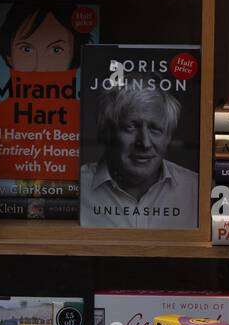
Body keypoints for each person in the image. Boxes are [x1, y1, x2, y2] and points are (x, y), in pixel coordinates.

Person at [80, 84, 199, 229]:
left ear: (168, 137)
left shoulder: (195, 189)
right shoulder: (78, 188)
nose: (145, 143)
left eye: (155, 129)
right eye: (131, 126)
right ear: (108, 133)